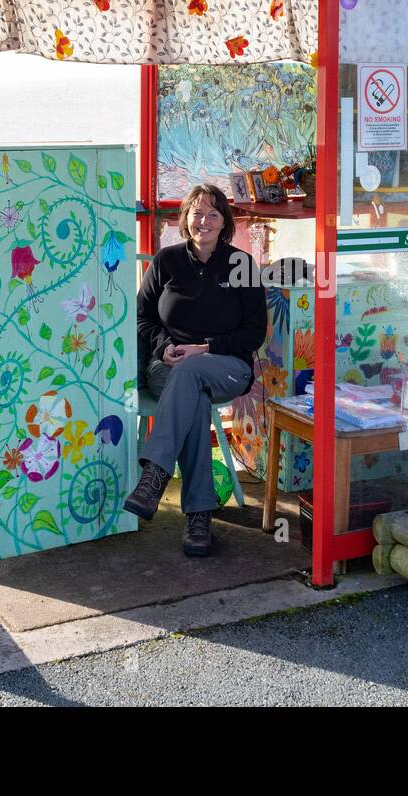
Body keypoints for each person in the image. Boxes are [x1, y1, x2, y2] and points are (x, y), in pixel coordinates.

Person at [125, 183, 267, 557]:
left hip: (228, 367)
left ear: (225, 223)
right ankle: (199, 517)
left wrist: (205, 349)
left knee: (194, 373)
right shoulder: (166, 261)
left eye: (213, 214)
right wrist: (164, 346)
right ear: (185, 218)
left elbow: (254, 333)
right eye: (197, 213)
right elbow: (142, 318)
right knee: (194, 396)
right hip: (167, 367)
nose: (203, 221)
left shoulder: (241, 265)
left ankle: (154, 475)